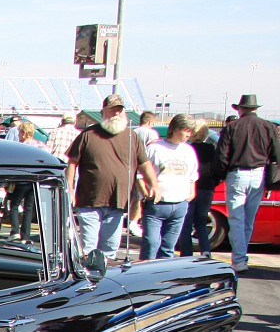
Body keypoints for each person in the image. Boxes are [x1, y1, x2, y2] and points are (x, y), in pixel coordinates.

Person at [65, 94, 158, 262]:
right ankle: (85, 281)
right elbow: (72, 163)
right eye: (112, 110)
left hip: (118, 201)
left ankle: (104, 282)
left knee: (110, 249)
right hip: (90, 201)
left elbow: (144, 164)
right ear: (103, 112)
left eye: (119, 111)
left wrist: (154, 185)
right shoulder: (88, 135)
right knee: (88, 249)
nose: (116, 114)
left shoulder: (132, 137)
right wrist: (70, 189)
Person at [216, 93, 280, 272]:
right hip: (259, 174)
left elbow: (222, 155)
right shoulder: (269, 127)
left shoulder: (232, 127)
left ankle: (239, 260)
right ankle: (242, 257)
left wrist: (220, 175)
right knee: (248, 220)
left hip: (237, 174)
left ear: (240, 109)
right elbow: (276, 154)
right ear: (256, 108)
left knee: (236, 218)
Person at [140, 114, 199, 260]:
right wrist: (146, 193)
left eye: (190, 131)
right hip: (157, 205)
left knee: (168, 248)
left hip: (180, 205)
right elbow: (139, 175)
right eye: (186, 130)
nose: (188, 134)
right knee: (151, 244)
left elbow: (193, 175)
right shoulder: (154, 148)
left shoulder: (188, 150)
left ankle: (162, 279)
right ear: (175, 129)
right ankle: (144, 276)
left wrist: (191, 192)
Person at [178, 123, 224, 258]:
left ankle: (186, 252)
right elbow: (217, 169)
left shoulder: (187, 150)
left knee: (187, 221)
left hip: (191, 188)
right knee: (202, 221)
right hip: (207, 187)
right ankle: (205, 250)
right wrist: (214, 182)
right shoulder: (211, 150)